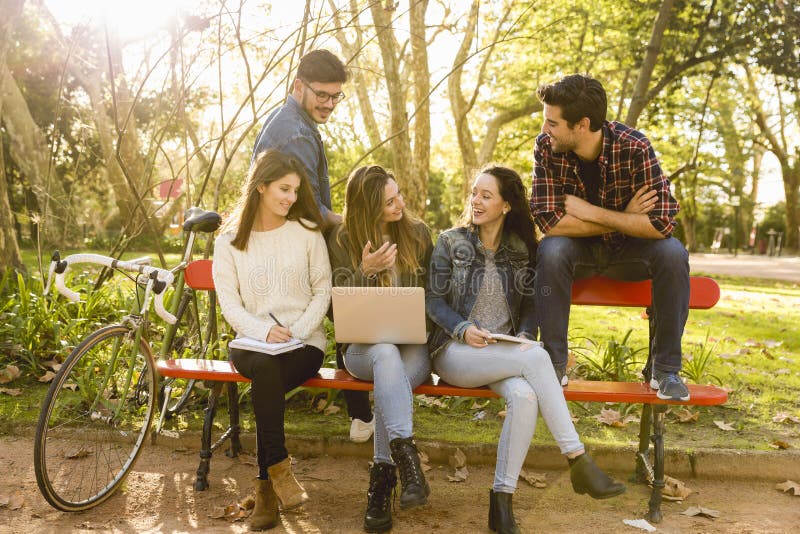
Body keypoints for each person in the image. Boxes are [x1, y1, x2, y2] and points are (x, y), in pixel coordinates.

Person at [426, 165, 625, 534]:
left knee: (526, 397)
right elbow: (433, 302)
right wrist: (464, 328)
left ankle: (501, 502)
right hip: (454, 352)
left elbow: (532, 303)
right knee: (536, 355)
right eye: (474, 193)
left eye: (486, 195)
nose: (476, 201)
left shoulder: (520, 248)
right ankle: (578, 460)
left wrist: (520, 333)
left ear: (505, 205)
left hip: (503, 352)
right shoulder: (450, 242)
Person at [530, 74, 691, 401]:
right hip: (579, 256)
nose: (546, 129)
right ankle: (553, 365)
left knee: (673, 253)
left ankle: (666, 371)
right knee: (552, 249)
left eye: (553, 122)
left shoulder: (634, 146)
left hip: (629, 257)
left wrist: (591, 212)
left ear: (582, 124)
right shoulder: (547, 147)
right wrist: (626, 218)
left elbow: (661, 224)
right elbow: (549, 220)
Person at [251, 48, 375, 440]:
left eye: (336, 96)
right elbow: (308, 209)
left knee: (349, 302)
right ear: (298, 86)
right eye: (322, 94)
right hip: (290, 247)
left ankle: (362, 408)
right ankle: (366, 405)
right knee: (353, 297)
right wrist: (352, 224)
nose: (329, 103)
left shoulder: (291, 120)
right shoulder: (296, 132)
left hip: (288, 242)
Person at [213, 149, 332, 531]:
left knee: (268, 374)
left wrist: (295, 333)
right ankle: (278, 470)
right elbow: (229, 305)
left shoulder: (307, 233)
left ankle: (267, 486)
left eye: (295, 190)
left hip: (304, 343)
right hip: (251, 343)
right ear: (261, 186)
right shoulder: (229, 242)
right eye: (284, 188)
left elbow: (322, 290)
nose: (291, 198)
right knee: (264, 366)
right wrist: (263, 331)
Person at [327, 165, 433, 533]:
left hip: (412, 350)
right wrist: (364, 272)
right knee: (384, 353)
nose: (399, 204)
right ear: (367, 207)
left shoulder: (418, 235)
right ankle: (407, 459)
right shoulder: (342, 240)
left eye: (399, 195)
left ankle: (383, 479)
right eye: (389, 201)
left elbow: (432, 298)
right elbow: (333, 311)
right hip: (361, 349)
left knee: (392, 363)